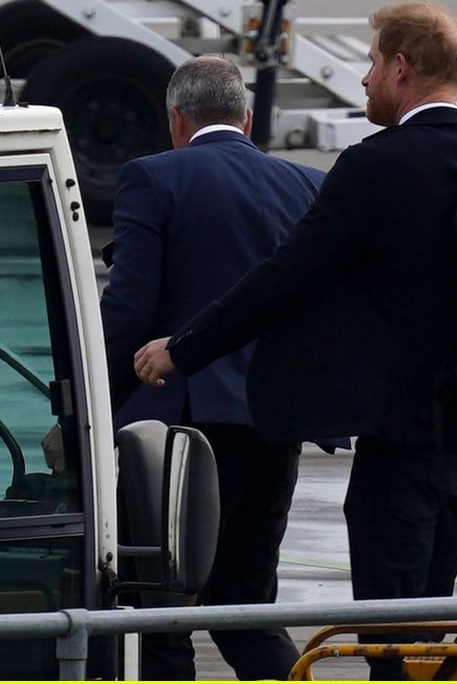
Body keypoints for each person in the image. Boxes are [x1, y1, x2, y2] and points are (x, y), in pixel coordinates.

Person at [132, 1, 457, 680]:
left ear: (400, 67)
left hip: (402, 448)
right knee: (424, 631)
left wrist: (183, 348)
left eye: (369, 63)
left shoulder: (377, 166)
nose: (362, 81)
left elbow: (283, 280)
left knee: (390, 644)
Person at [100, 55, 329, 681]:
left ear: (176, 119)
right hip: (270, 426)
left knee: (157, 612)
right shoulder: (305, 185)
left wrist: (92, 400)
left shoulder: (153, 177)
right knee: (247, 607)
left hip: (178, 433)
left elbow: (128, 307)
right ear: (248, 118)